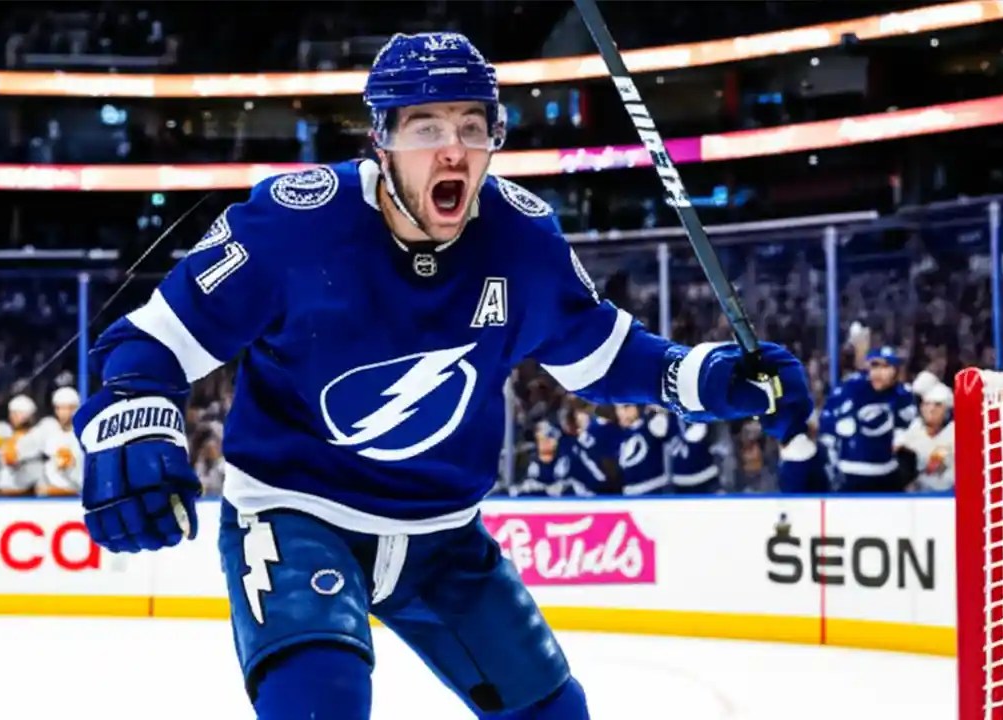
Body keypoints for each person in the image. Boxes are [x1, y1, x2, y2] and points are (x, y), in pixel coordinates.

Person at [71, 32, 812, 720]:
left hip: (446, 538)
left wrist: (707, 378)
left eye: (471, 126)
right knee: (318, 702)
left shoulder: (522, 239)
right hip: (297, 515)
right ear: (382, 140)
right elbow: (149, 340)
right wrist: (135, 410)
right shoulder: (293, 226)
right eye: (426, 127)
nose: (452, 149)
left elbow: (603, 353)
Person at [824, 346, 917, 492]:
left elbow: (908, 429)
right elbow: (828, 425)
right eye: (875, 365)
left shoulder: (903, 394)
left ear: (896, 370)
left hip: (887, 474)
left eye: (886, 366)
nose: (879, 372)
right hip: (850, 474)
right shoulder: (851, 388)